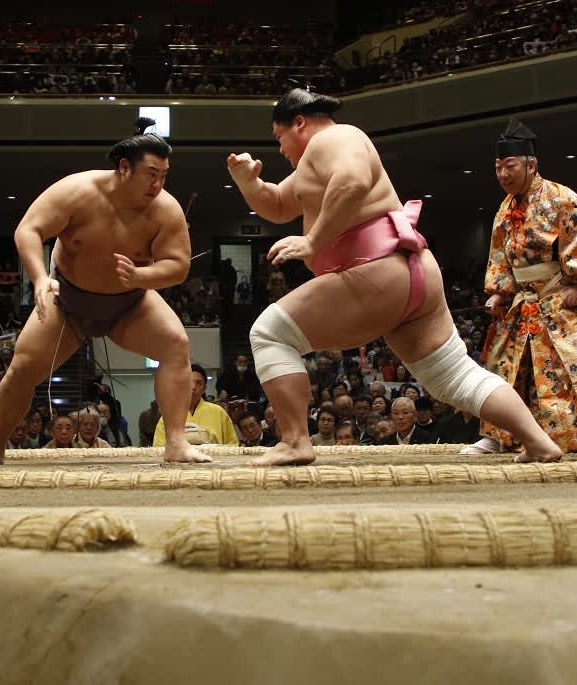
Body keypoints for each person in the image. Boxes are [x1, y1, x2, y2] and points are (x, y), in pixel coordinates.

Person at [227, 87, 559, 466]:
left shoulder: (335, 137)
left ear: (299, 123)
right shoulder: (314, 163)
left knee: (269, 334)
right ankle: (538, 440)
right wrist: (248, 182)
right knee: (453, 376)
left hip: (375, 270)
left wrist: (313, 240)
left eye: (279, 137)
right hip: (409, 272)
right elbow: (278, 204)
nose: (280, 148)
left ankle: (295, 441)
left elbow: (352, 182)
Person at [0, 120, 207, 466]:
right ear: (124, 167)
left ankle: (176, 443)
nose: (158, 185)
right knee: (23, 367)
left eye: (164, 176)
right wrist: (39, 278)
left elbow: (179, 266)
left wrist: (141, 275)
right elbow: (29, 230)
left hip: (130, 303)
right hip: (68, 301)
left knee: (176, 345)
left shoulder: (165, 210)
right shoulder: (77, 191)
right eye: (151, 174)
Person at [479, 120, 577, 454]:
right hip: (522, 303)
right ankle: (498, 435)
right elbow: (500, 254)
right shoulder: (505, 208)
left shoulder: (561, 197)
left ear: (531, 165)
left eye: (510, 166)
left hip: (556, 296)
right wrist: (498, 291)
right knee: (505, 367)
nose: (503, 175)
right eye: (498, 168)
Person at [153, 364, 239, 446]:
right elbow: (158, 450)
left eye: (199, 383)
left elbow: (232, 446)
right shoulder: (168, 417)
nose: (193, 387)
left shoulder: (219, 412)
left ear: (204, 388)